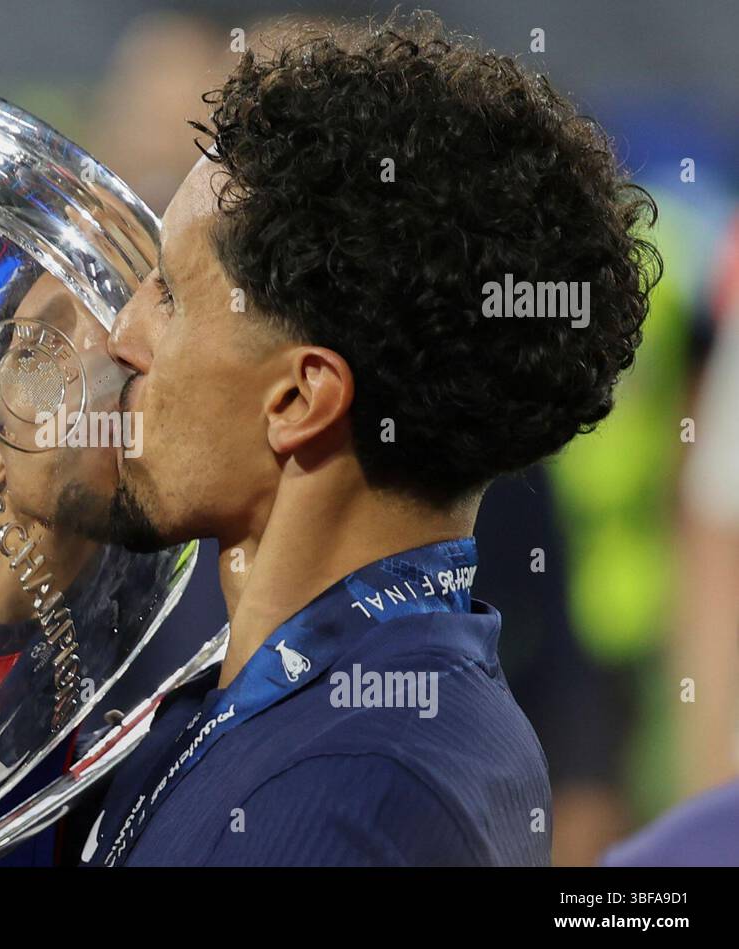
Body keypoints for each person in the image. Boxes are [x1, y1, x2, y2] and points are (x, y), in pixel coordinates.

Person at [71, 14, 661, 866]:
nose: (120, 336)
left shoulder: (340, 798)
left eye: (167, 294)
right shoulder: (300, 714)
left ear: (299, 398)